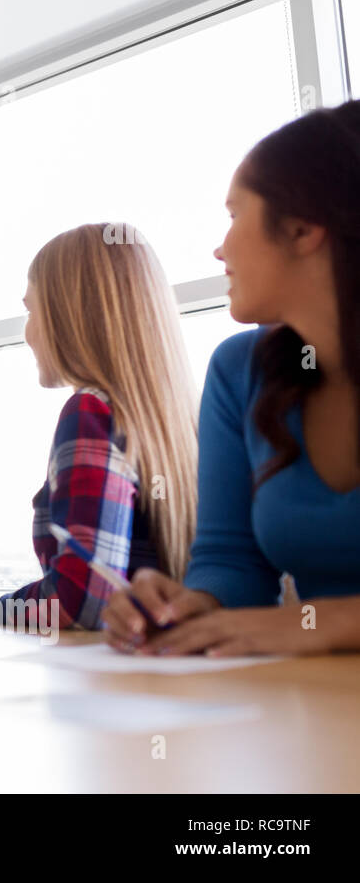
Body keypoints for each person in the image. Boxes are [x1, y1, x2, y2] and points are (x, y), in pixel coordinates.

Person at [105, 101, 360, 655]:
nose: (220, 249)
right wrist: (188, 606)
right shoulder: (241, 372)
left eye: (234, 215)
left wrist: (323, 621)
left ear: (301, 227)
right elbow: (232, 562)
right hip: (320, 710)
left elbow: (300, 624)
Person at [0, 223, 198, 630]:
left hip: (118, 678)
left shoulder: (90, 412)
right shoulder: (180, 418)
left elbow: (83, 598)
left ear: (71, 314)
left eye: (31, 311)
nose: (27, 332)